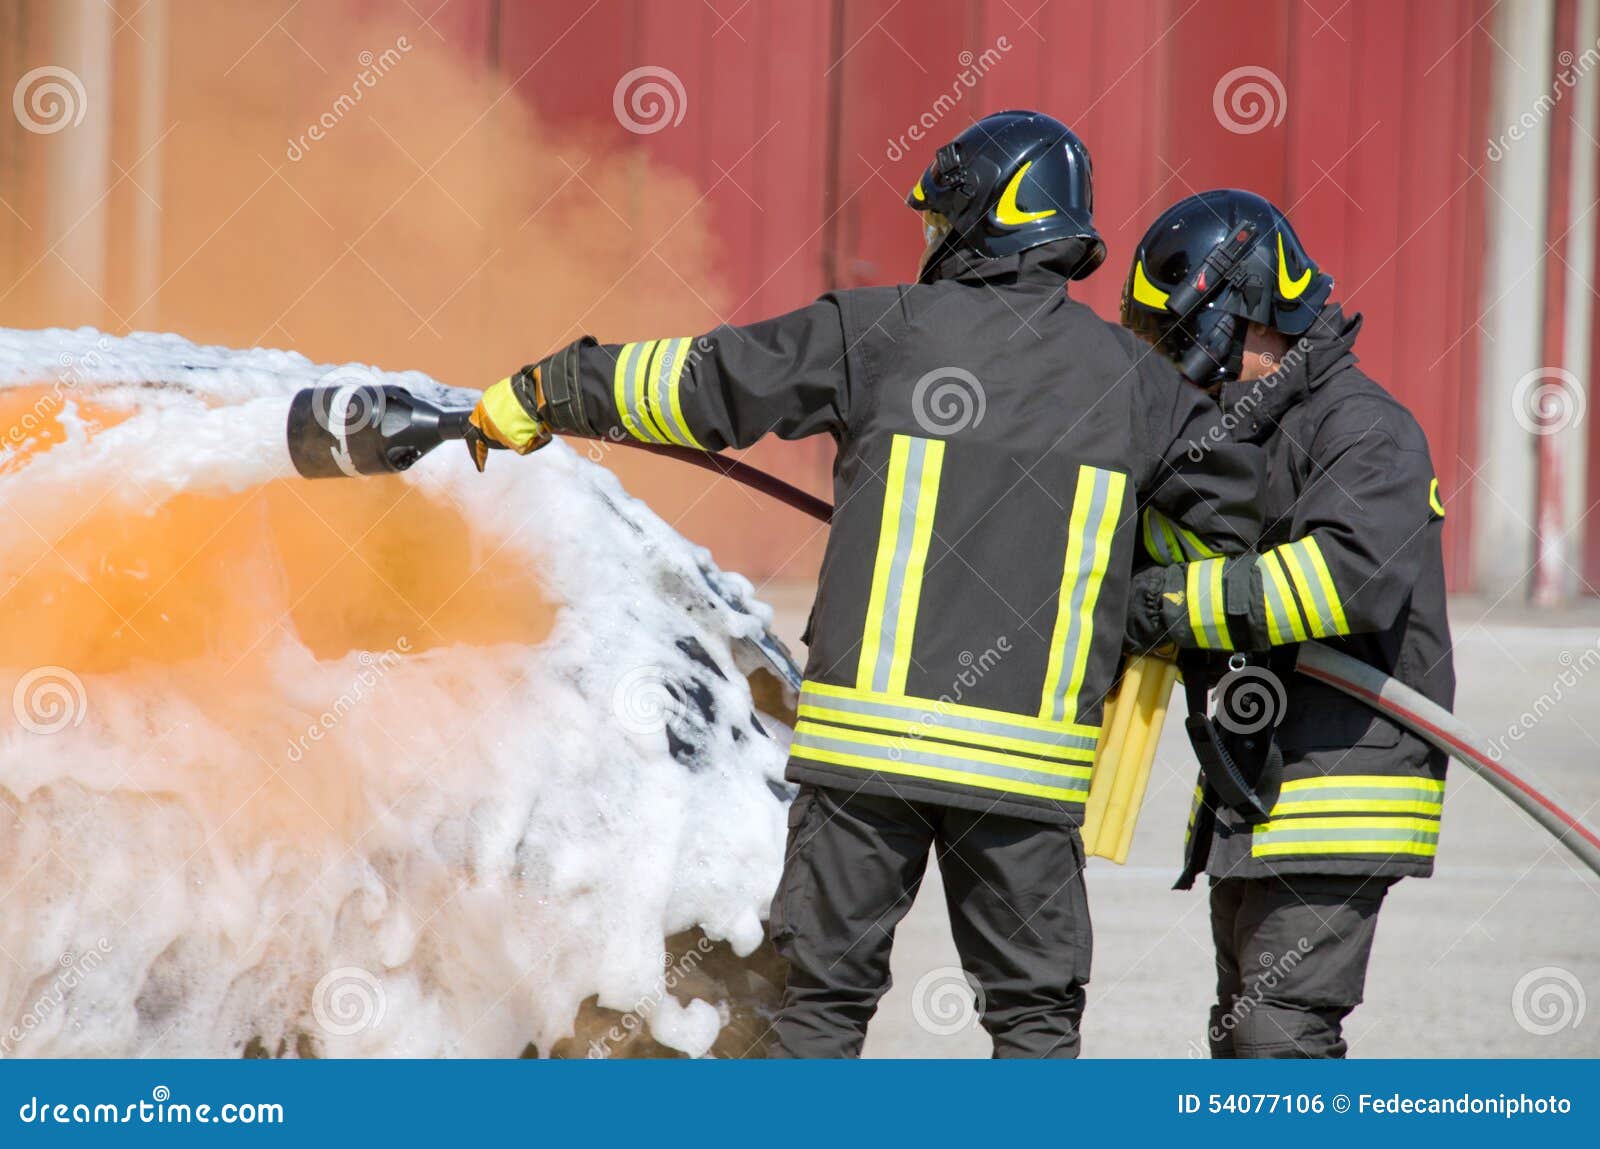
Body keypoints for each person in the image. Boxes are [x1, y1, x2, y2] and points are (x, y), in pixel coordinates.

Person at [463, 111, 1263, 1057]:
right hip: (1025, 776)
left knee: (817, 1010)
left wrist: (550, 390)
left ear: (979, 216)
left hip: (866, 763)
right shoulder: (1134, 384)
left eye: (938, 218)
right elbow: (1237, 516)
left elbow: (703, 384)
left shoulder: (877, 331)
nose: (928, 237)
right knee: (1034, 1020)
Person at [1120, 188, 1455, 1058]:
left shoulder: (1365, 430)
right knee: (1242, 1033)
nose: (1184, 368)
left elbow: (1345, 582)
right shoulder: (1246, 433)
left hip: (1339, 781)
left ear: (1253, 317)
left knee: (1279, 1032)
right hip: (1261, 785)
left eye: (1187, 343)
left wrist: (1165, 606)